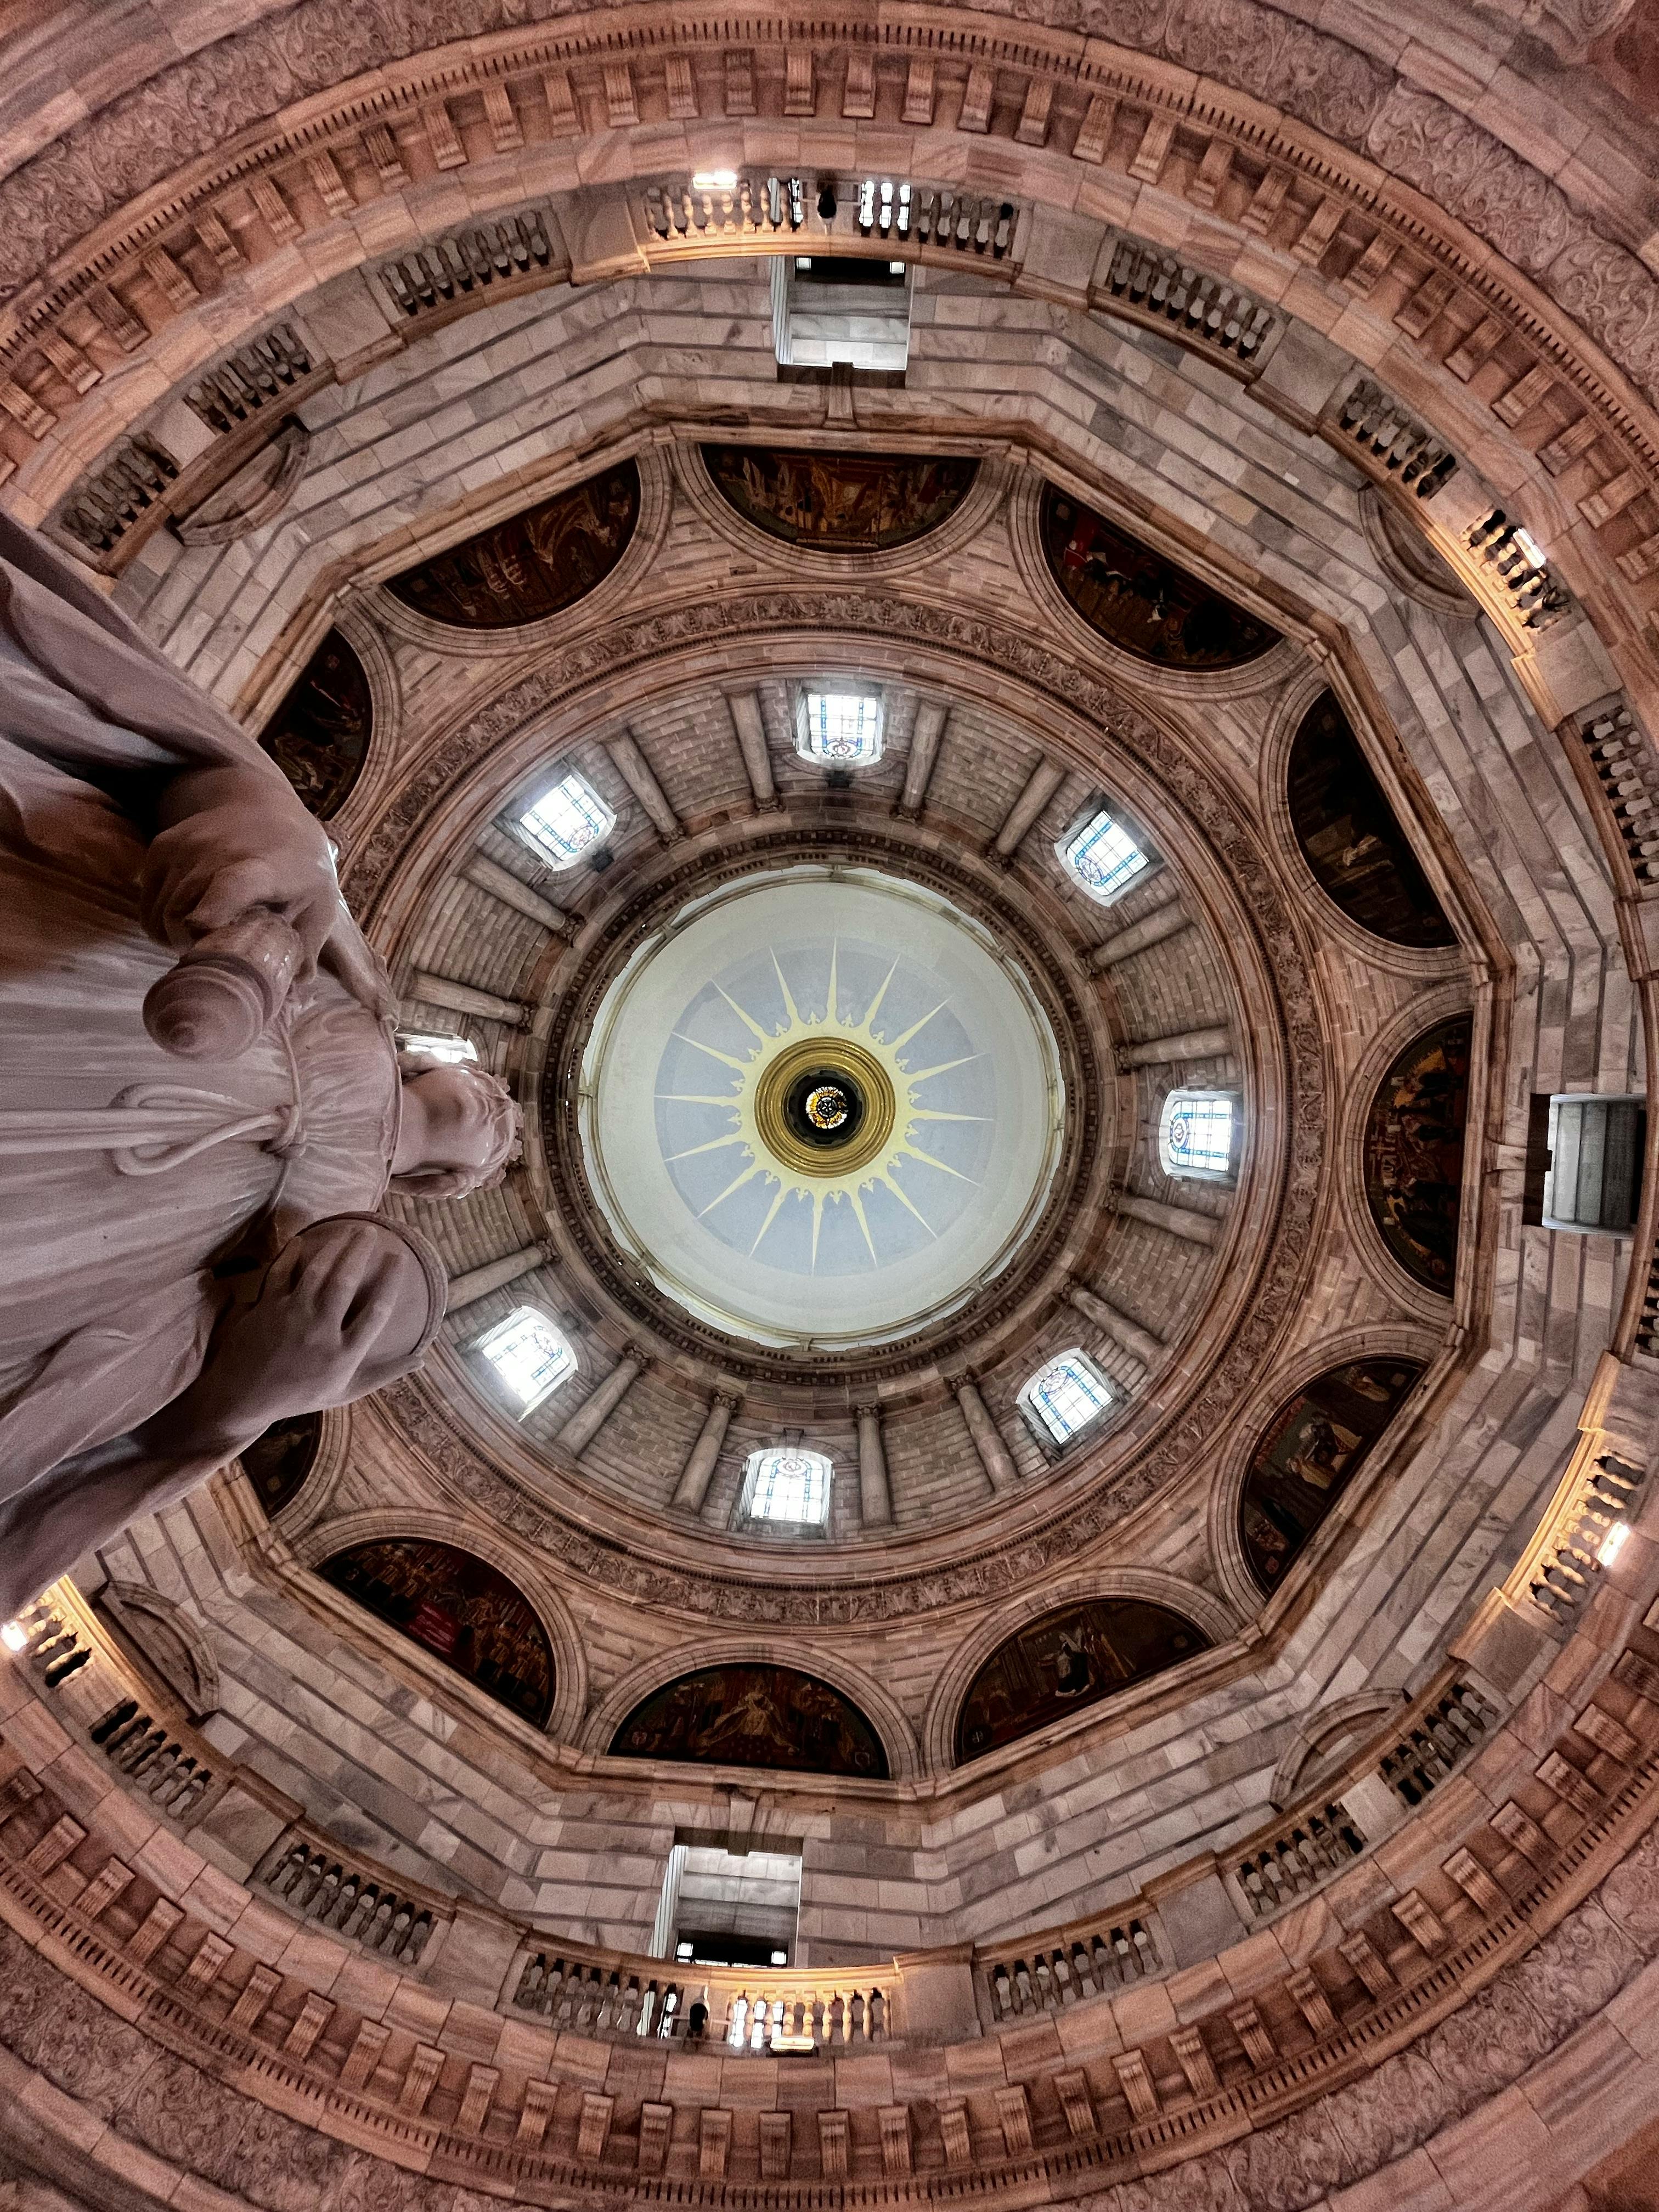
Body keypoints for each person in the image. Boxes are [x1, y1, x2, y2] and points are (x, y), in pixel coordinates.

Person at [0, 512, 517, 1612]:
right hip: (94, 986)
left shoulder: (352, 1223)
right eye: (495, 1093)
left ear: (441, 1182)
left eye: (496, 1132)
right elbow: (227, 797)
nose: (496, 1108)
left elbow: (209, 1393)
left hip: (93, 1220)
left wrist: (277, 1379)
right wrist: (261, 850)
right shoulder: (359, 995)